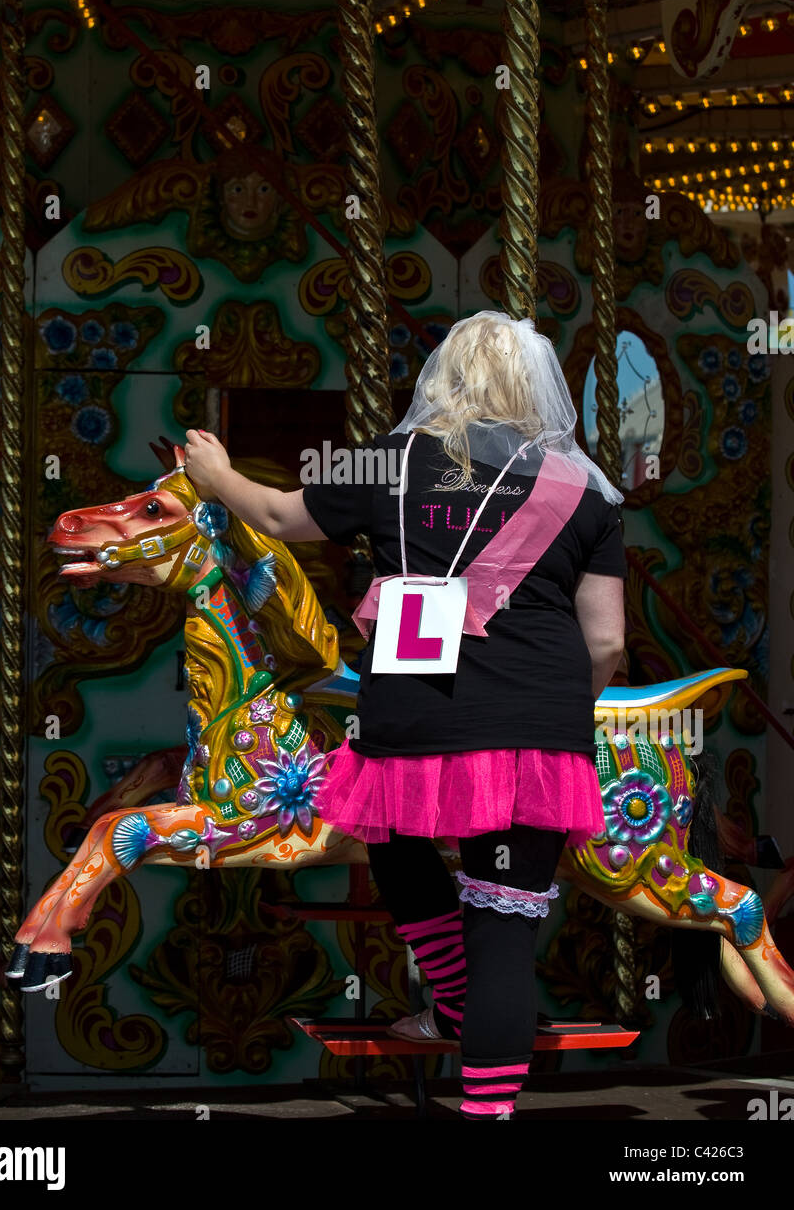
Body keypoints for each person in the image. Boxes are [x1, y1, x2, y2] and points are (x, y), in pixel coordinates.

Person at [183, 310, 627, 1120]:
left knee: (391, 838)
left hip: (414, 710)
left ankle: (451, 1000)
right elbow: (605, 641)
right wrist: (558, 710)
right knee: (504, 922)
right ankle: (485, 1105)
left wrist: (215, 475)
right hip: (536, 719)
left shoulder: (391, 461)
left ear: (443, 381)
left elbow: (280, 516)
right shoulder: (586, 491)